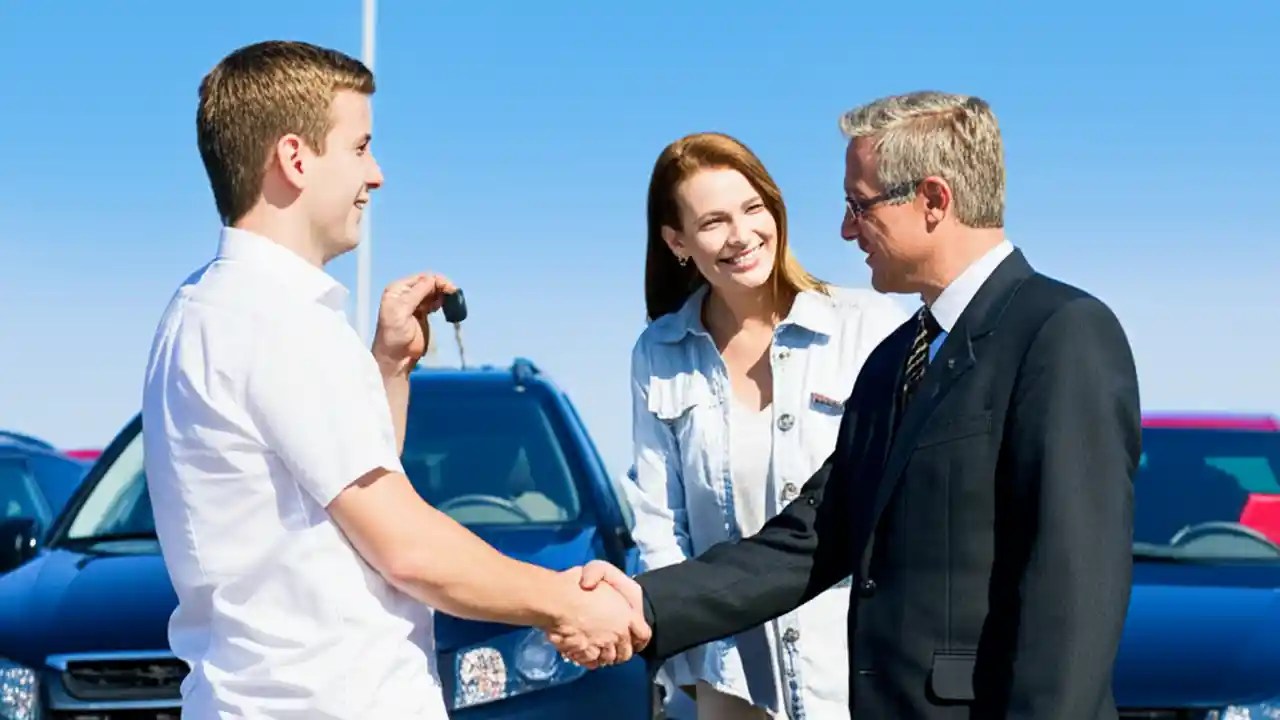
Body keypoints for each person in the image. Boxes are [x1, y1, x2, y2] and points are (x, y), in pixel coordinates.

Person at [572, 91, 1142, 719]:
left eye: (859, 205)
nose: (846, 230)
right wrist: (645, 603)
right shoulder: (894, 358)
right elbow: (813, 537)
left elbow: (1072, 593)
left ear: (933, 200)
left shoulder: (1062, 333)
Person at [141, 40, 646, 720]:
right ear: (295, 158)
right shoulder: (276, 320)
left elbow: (330, 491)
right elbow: (404, 546)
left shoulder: (206, 307)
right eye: (359, 148)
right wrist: (564, 603)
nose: (375, 176)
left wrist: (388, 366)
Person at [626, 131, 907, 719]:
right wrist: (688, 658)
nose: (741, 234)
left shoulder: (867, 326)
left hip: (855, 673)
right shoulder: (659, 352)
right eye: (713, 222)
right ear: (678, 242)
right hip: (728, 681)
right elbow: (660, 521)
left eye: (753, 208)